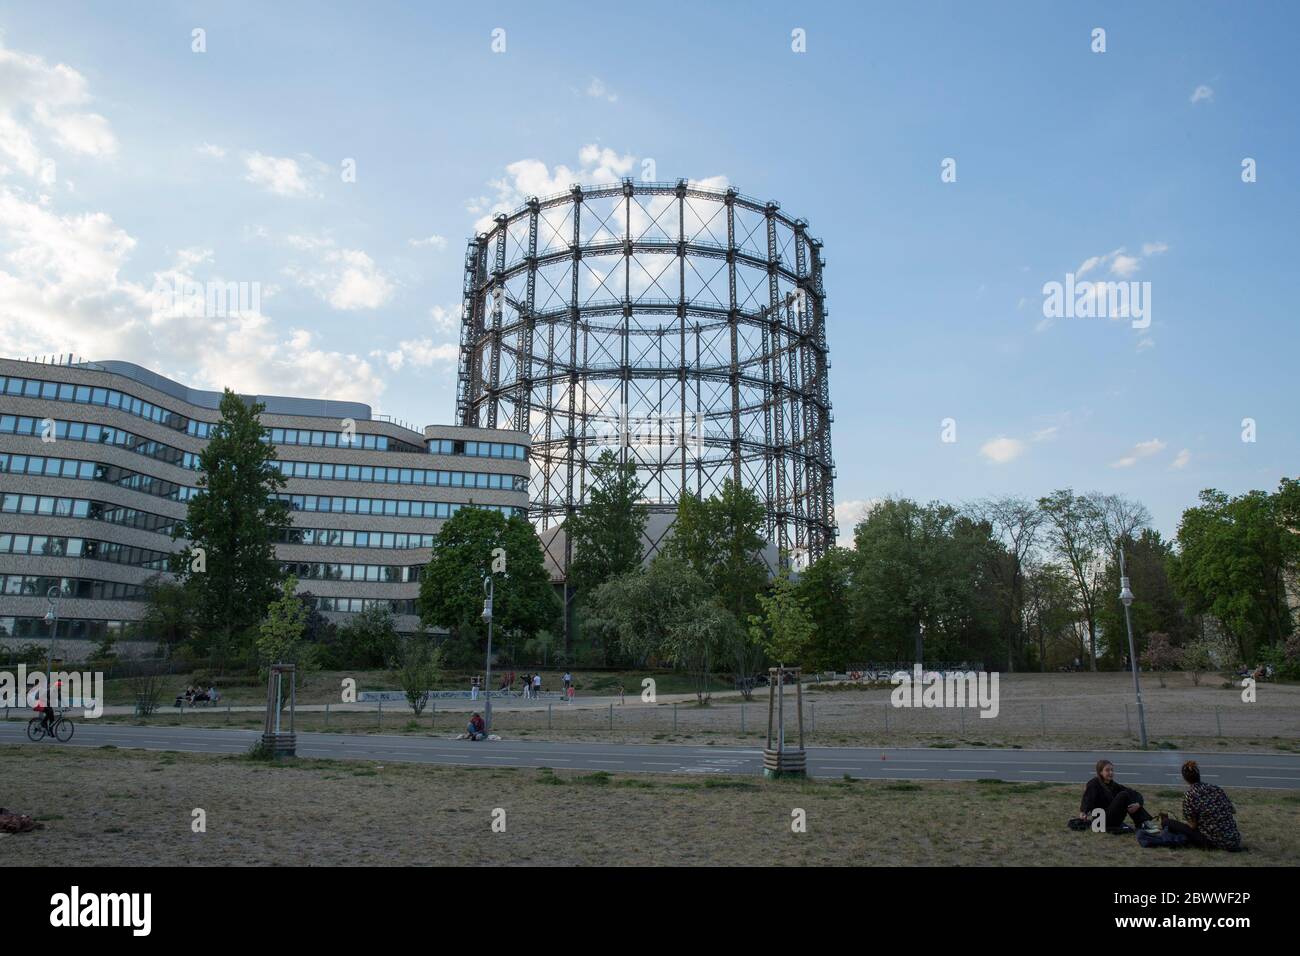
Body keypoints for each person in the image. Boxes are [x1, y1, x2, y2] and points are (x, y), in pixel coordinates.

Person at [1163, 760, 1242, 850]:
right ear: (1199, 775)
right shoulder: (1216, 789)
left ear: (1184, 778)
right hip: (1234, 840)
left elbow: (1192, 826)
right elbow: (1233, 810)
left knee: (1166, 822)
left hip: (1214, 842)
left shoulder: (1190, 795)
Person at [1079, 759, 1152, 829]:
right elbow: (1087, 798)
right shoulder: (1093, 783)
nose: (1111, 772)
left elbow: (1134, 793)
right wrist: (1084, 812)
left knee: (1127, 794)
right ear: (1100, 772)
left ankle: (1144, 822)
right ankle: (1142, 823)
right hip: (1101, 821)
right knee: (1124, 795)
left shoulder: (1113, 785)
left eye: (1112, 770)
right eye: (1107, 770)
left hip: (1112, 819)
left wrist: (1138, 804)